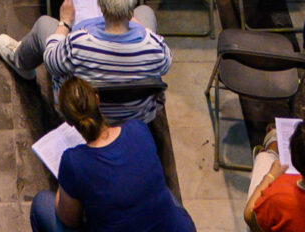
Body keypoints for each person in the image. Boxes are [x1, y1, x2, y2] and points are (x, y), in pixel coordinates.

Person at [28, 74, 194, 232]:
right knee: (160, 193)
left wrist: (65, 185)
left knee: (41, 204)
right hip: (179, 228)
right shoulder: (138, 128)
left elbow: (69, 220)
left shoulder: (73, 162)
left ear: (69, 121)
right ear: (97, 99)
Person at [0, 0, 170, 119]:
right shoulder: (156, 46)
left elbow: (51, 62)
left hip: (86, 115)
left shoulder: (79, 43)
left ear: (101, 8)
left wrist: (65, 22)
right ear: (131, 4)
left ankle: (20, 60)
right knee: (146, 12)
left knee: (44, 24)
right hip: (137, 115)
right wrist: (128, 15)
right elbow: (165, 66)